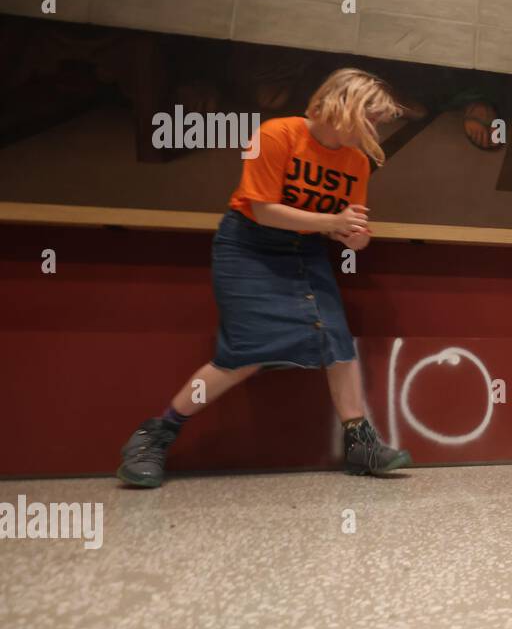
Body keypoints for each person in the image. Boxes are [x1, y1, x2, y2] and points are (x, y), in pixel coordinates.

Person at [115, 69, 414, 487]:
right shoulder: (276, 135)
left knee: (336, 342)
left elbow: (346, 231)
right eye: (372, 118)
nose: (376, 130)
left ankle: (360, 443)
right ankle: (154, 437)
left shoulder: (356, 163)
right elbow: (262, 209)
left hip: (305, 250)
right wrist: (333, 221)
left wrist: (354, 238)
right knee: (244, 353)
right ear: (344, 108)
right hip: (249, 246)